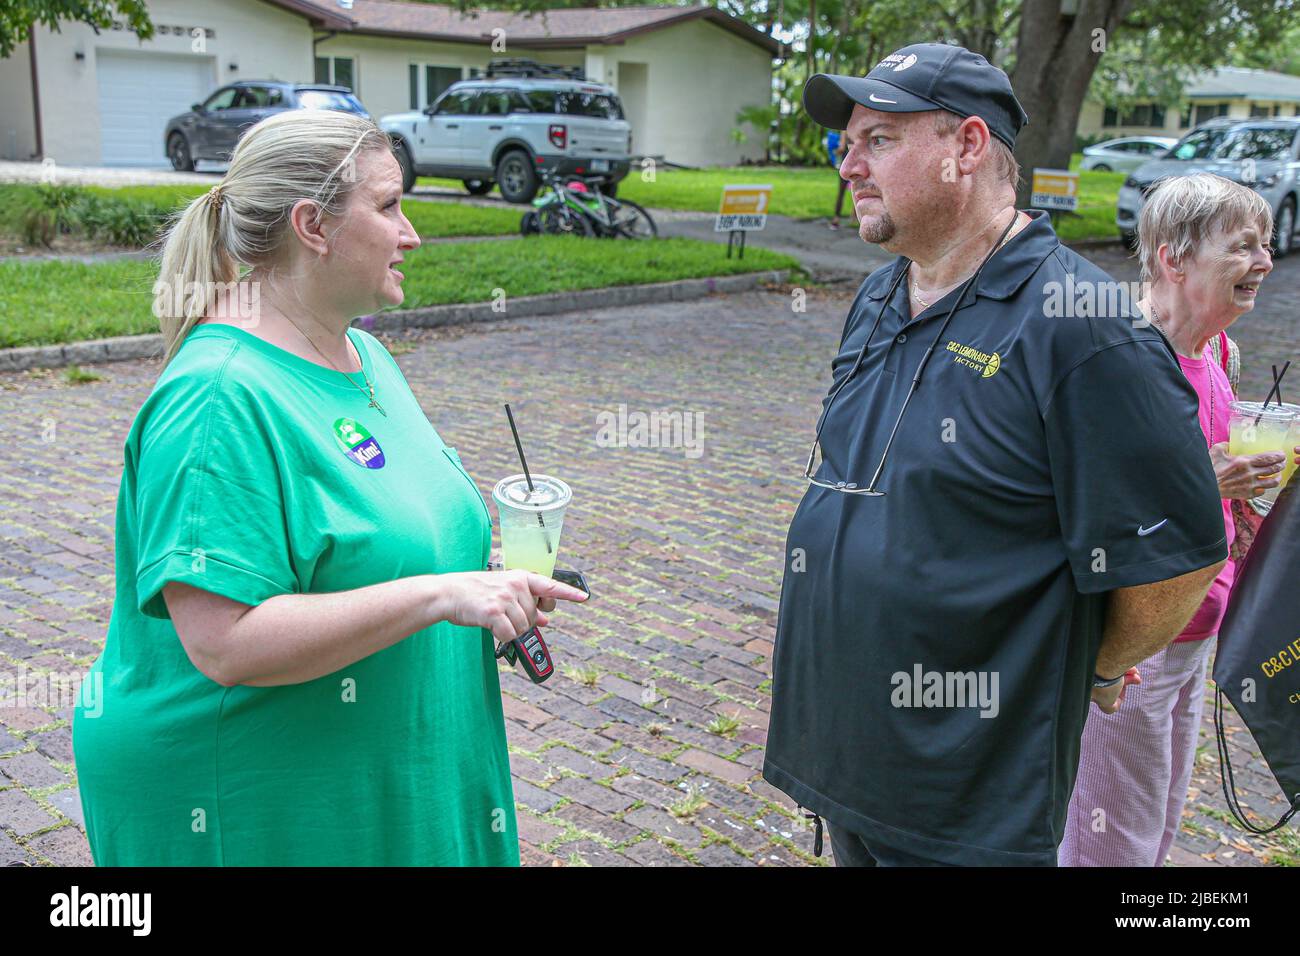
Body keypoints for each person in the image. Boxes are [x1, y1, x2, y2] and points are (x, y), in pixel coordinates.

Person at [71, 109, 588, 866]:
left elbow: (383, 540)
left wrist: (491, 585)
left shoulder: (366, 356)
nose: (411, 233)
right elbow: (224, 643)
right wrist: (441, 596)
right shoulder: (217, 397)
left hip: (390, 776)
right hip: (255, 806)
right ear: (313, 225)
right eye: (388, 206)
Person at [761, 43, 1229, 866]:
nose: (849, 165)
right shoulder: (881, 292)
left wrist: (1087, 664)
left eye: (879, 140)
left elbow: (1178, 556)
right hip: (847, 753)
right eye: (848, 143)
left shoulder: (1082, 326)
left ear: (967, 148)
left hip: (967, 796)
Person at [1060, 173, 1279, 866]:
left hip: (1195, 629)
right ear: (1173, 259)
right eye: (1244, 246)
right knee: (1110, 837)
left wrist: (1247, 498)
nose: (1266, 262)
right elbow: (1077, 509)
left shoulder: (1217, 351)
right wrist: (1200, 481)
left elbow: (1208, 472)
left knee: (1156, 819)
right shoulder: (1118, 360)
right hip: (1134, 644)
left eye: (1267, 244)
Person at [826, 130, 851, 230]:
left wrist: (833, 151)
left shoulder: (845, 128)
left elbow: (841, 148)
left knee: (841, 192)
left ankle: (836, 219)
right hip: (861, 160)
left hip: (847, 162)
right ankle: (856, 218)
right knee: (861, 189)